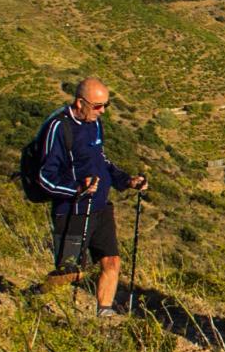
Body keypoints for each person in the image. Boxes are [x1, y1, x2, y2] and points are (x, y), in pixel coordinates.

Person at [36, 77, 149, 317]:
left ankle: (104, 312)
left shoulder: (94, 123)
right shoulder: (58, 127)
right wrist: (78, 188)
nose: (103, 111)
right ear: (80, 102)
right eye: (98, 106)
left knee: (112, 262)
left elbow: (101, 161)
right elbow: (45, 177)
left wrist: (126, 180)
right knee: (70, 272)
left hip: (100, 207)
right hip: (73, 210)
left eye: (106, 105)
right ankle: (34, 295)